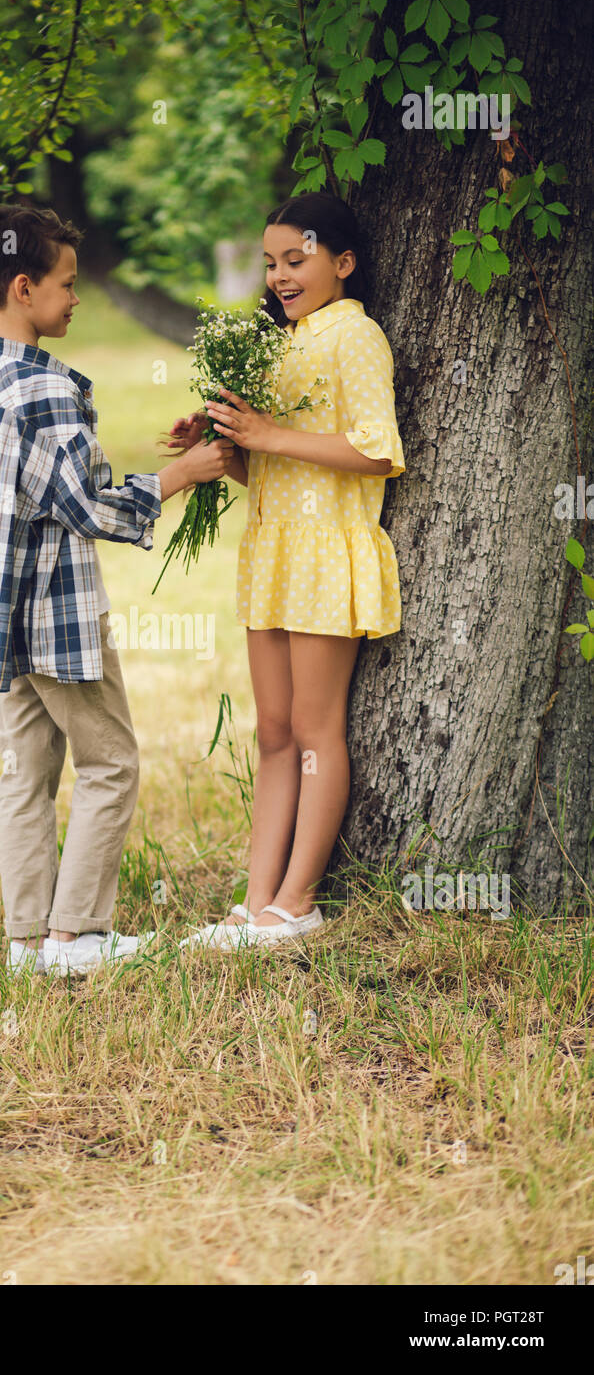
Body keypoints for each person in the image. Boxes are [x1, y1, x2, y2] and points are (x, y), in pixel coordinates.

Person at [0, 204, 233, 977]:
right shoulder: (44, 391)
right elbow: (88, 506)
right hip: (61, 618)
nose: (76, 297)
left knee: (26, 774)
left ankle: (26, 941)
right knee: (111, 762)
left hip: (5, 615)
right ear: (22, 286)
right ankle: (76, 937)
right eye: (67, 283)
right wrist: (180, 475)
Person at [169, 194, 406, 952]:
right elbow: (278, 472)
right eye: (270, 263)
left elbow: (377, 451)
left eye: (295, 261)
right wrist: (226, 446)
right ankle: (255, 901)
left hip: (326, 554)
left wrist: (270, 432)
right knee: (272, 731)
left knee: (312, 729)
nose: (279, 276)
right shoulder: (283, 344)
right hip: (272, 550)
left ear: (342, 262)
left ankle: (299, 901)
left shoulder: (357, 336)